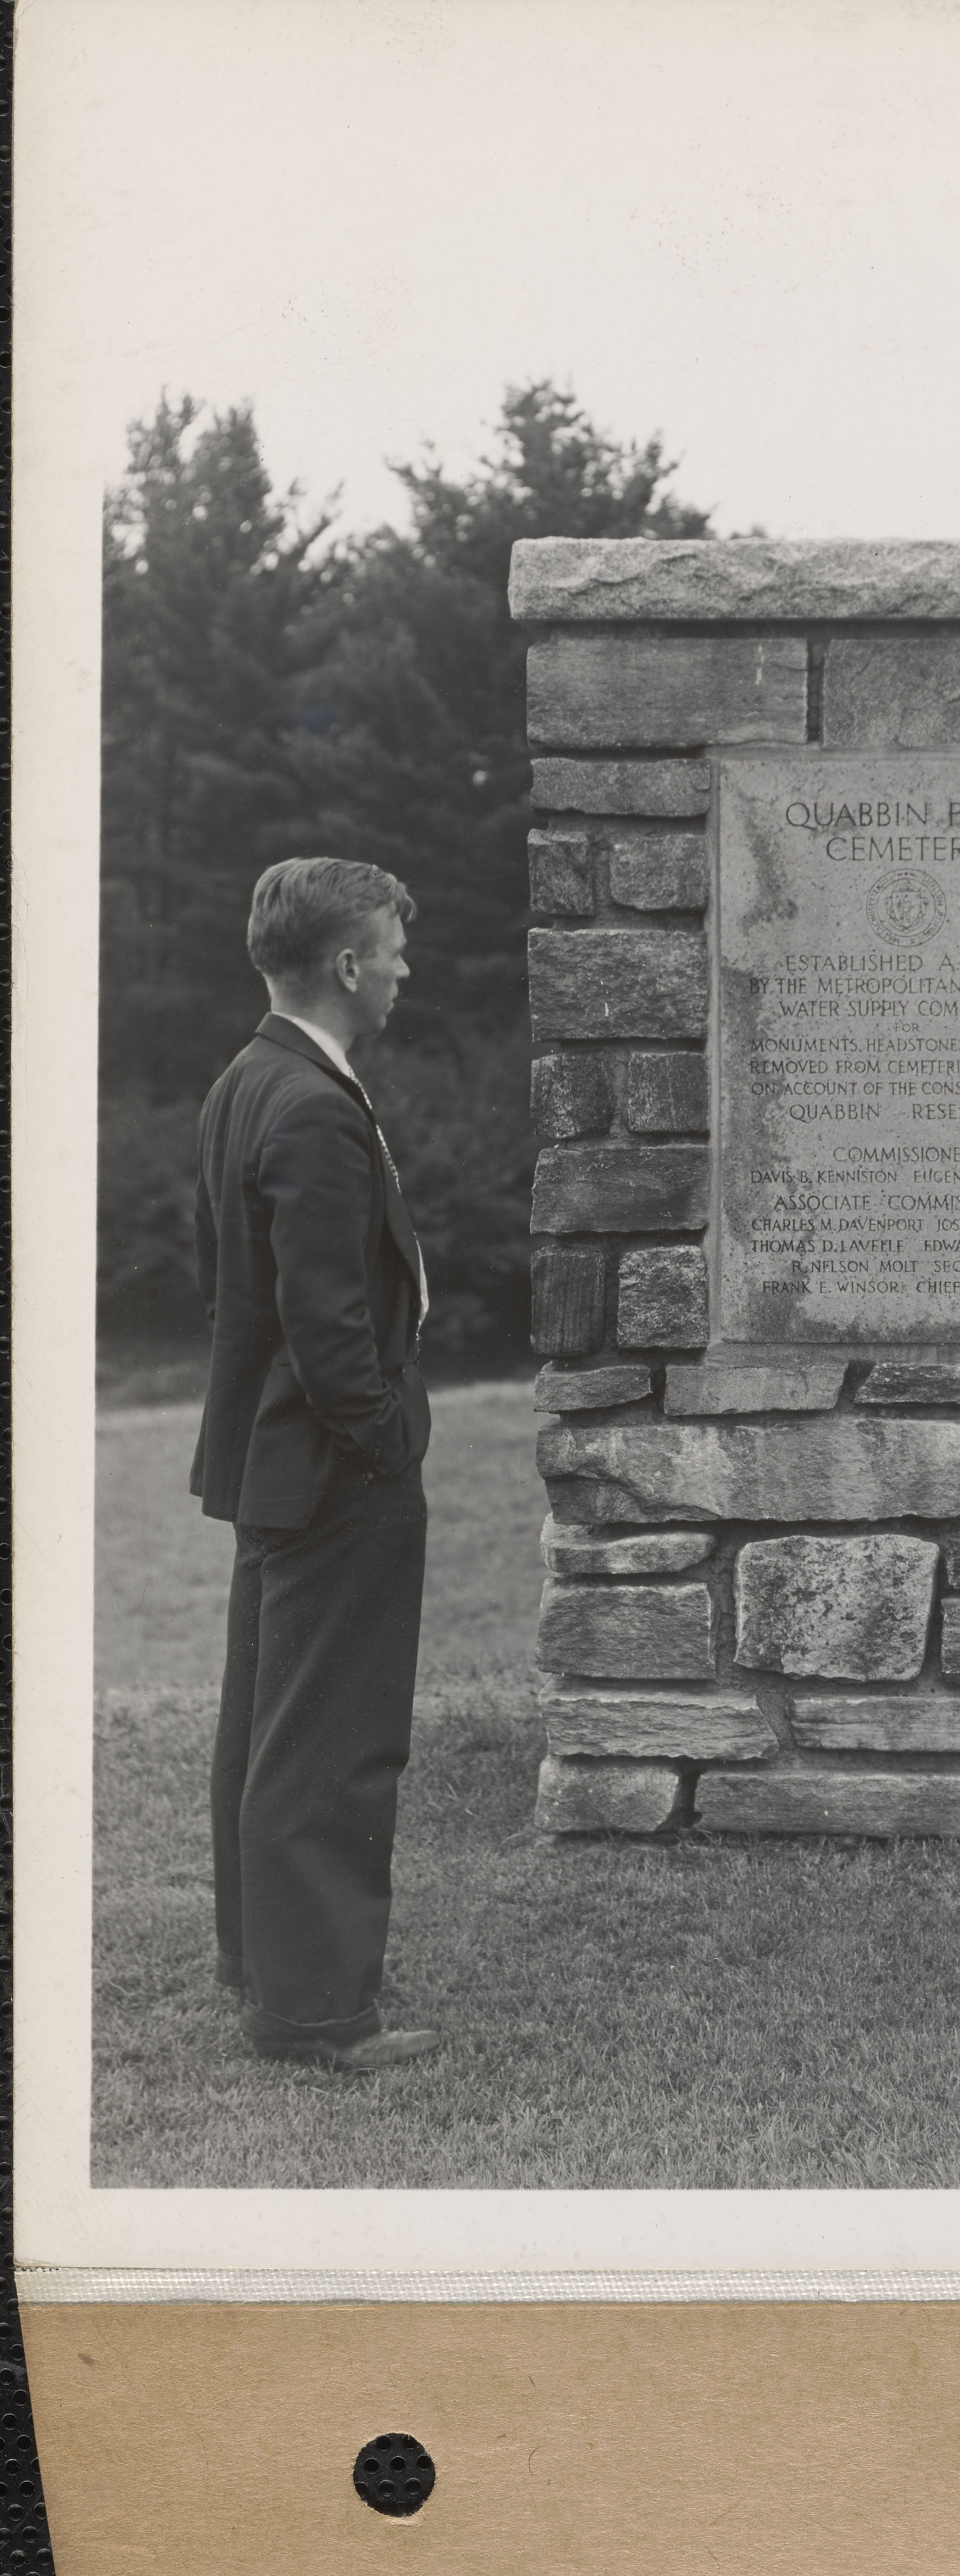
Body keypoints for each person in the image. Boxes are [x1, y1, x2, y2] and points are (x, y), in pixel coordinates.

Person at [191, 856, 439, 2072]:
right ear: (348, 965)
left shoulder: (252, 1080)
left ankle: (270, 1964)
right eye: (392, 948)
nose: (404, 968)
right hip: (333, 1470)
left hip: (270, 1462)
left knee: (271, 1722)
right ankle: (312, 2013)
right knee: (332, 1737)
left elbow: (229, 1288)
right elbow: (327, 1325)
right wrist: (386, 1440)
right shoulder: (311, 1109)